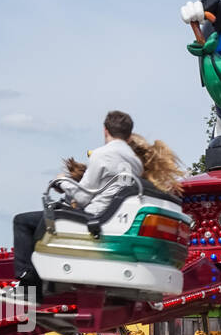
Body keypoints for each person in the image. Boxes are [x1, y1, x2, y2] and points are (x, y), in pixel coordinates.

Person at [11, 111, 147, 288]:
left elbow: (82, 197)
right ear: (129, 135)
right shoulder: (136, 163)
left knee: (22, 221)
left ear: (105, 130)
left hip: (93, 217)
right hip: (115, 217)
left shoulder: (102, 154)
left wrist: (61, 181)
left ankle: (28, 282)